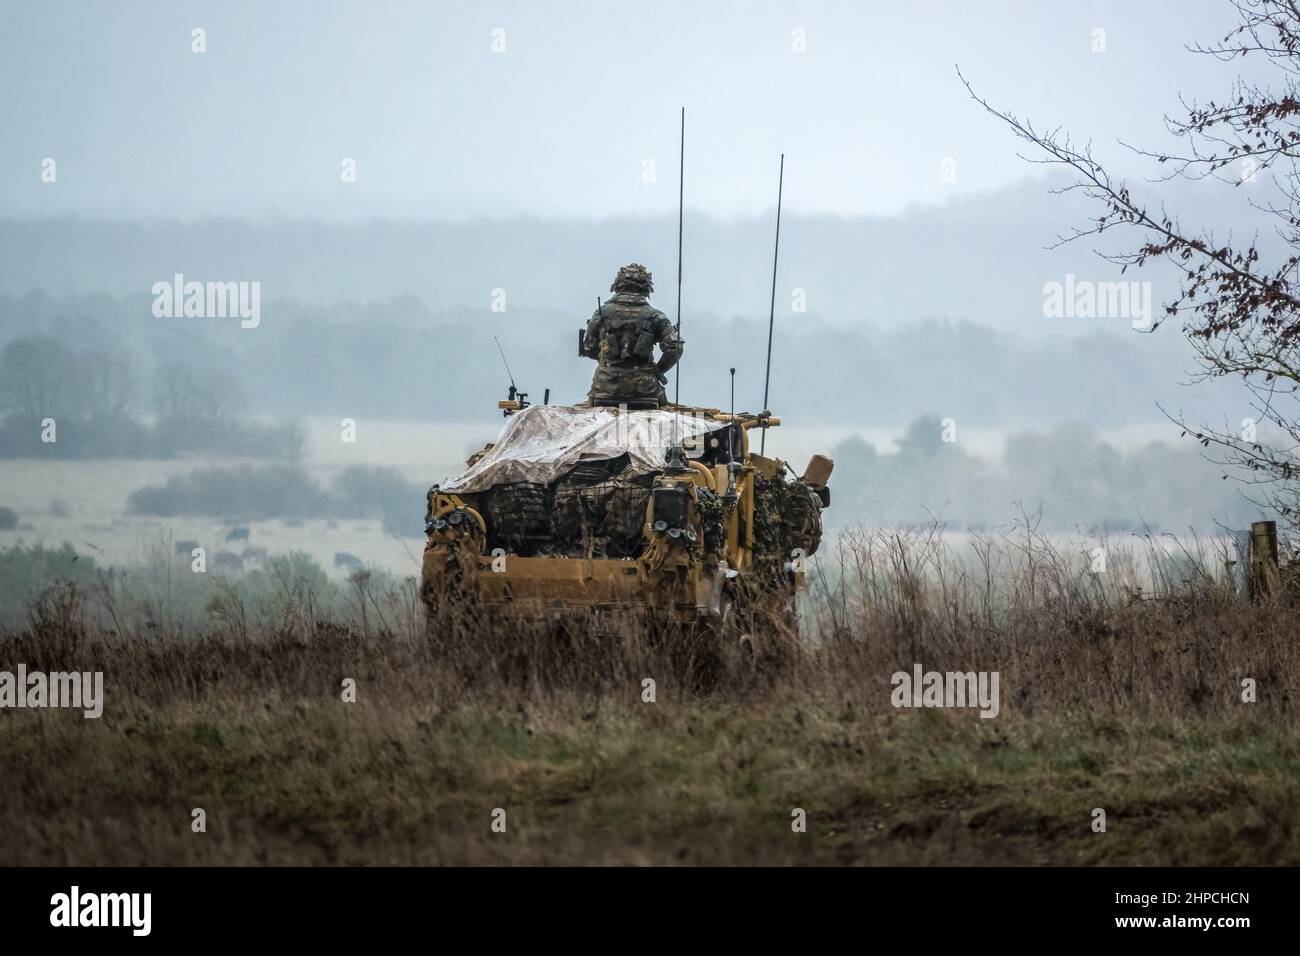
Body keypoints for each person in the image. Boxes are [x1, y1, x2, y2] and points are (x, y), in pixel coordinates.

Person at [580, 263, 684, 407]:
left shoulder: (602, 313)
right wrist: (657, 370)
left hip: (605, 387)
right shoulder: (655, 316)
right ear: (646, 287)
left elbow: (589, 348)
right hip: (646, 389)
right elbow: (675, 348)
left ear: (617, 286)